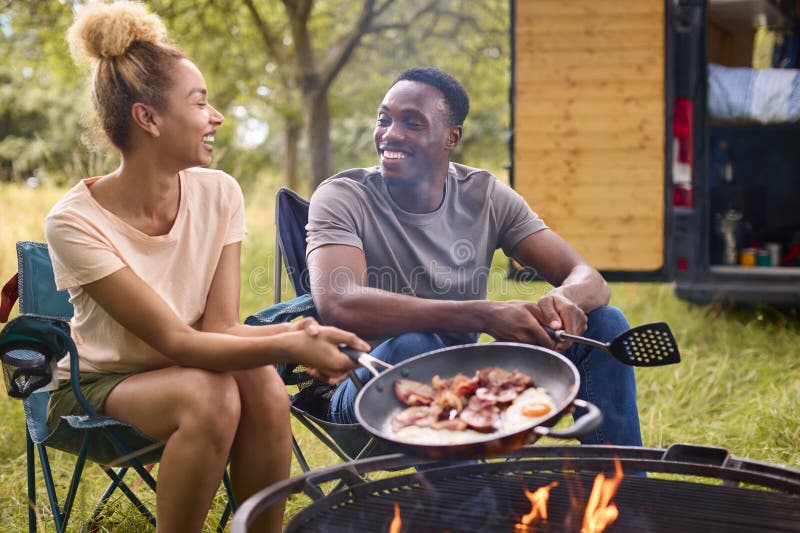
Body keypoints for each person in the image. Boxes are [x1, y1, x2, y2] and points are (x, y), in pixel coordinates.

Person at [45, 3, 367, 533]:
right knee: (209, 392)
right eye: (200, 103)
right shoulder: (74, 222)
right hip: (103, 387)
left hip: (199, 364)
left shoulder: (219, 192)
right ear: (148, 118)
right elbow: (176, 340)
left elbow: (219, 328)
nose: (216, 116)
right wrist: (289, 344)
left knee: (261, 383)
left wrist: (305, 331)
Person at [306, 66, 642, 447]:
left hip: (465, 376)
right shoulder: (343, 196)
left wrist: (562, 302)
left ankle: (625, 493)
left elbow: (588, 277)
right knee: (414, 346)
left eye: (412, 123)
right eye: (384, 119)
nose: (390, 134)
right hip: (363, 384)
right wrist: (483, 314)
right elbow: (339, 302)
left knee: (606, 321)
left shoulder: (484, 195)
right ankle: (475, 504)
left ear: (452, 137)